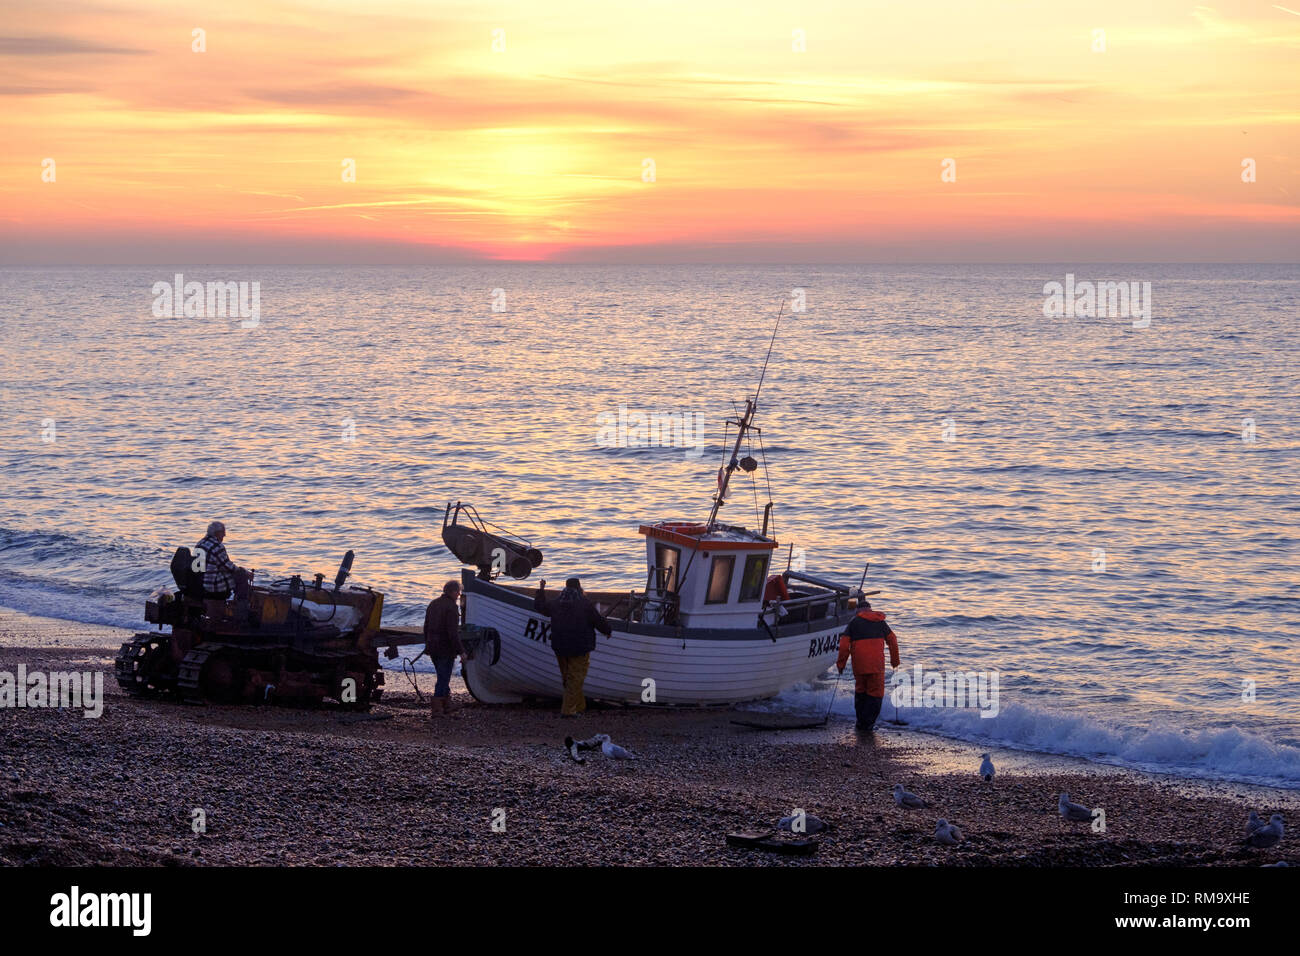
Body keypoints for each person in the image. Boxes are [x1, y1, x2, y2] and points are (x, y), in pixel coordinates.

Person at [533, 577, 612, 716]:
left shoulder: (556, 603)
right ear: (579, 588)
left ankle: (579, 706)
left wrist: (541, 591)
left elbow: (540, 607)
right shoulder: (584, 604)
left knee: (569, 679)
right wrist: (607, 631)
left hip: (560, 647)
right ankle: (568, 711)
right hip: (580, 647)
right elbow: (598, 621)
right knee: (575, 679)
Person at [836, 600, 900, 733]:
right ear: (870, 609)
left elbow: (843, 646)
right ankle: (868, 724)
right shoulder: (880, 622)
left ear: (858, 611)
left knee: (861, 692)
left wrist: (841, 664)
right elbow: (893, 641)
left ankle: (860, 722)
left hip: (859, 665)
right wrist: (895, 662)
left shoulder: (853, 623)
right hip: (876, 665)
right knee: (875, 694)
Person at [422, 580, 466, 716]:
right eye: (458, 592)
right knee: (443, 678)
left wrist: (427, 644)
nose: (459, 594)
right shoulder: (451, 607)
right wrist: (461, 652)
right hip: (445, 647)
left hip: (433, 646)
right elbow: (452, 633)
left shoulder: (433, 603)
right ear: (453, 592)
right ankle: (437, 709)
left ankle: (446, 705)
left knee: (443, 675)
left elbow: (426, 627)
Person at [194, 521, 251, 599]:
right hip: (212, 585)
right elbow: (229, 567)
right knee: (242, 575)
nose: (225, 534)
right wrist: (245, 572)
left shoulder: (199, 543)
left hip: (200, 582)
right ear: (217, 533)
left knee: (238, 573)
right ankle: (241, 606)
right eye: (223, 532)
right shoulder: (217, 546)